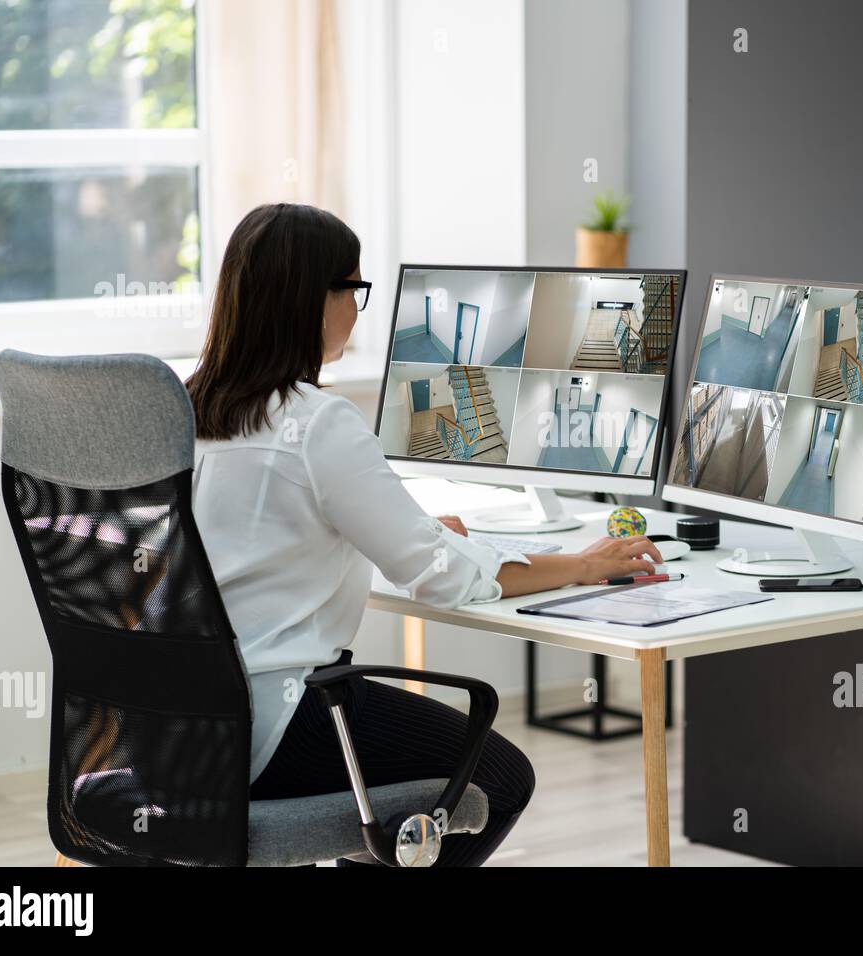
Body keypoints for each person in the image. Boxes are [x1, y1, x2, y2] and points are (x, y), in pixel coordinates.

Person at [184, 203, 662, 865]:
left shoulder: (183, 411)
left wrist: (393, 528)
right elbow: (443, 577)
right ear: (309, 301)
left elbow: (256, 536)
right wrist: (581, 565)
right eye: (353, 289)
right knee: (498, 777)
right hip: (280, 721)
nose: (359, 308)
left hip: (177, 731)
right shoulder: (319, 423)